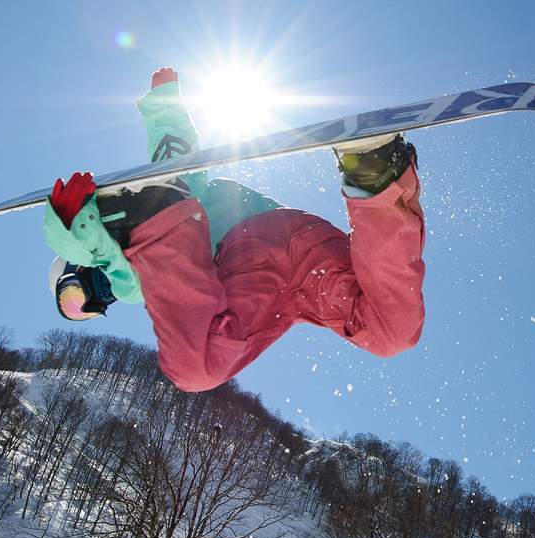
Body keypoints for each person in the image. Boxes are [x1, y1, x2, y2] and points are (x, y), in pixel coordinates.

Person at [42, 67, 426, 393]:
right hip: (300, 272)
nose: (99, 298)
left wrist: (164, 104)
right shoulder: (167, 279)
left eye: (77, 294)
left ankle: (128, 230)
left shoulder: (158, 254)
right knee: (391, 333)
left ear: (79, 263)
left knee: (194, 369)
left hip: (245, 245)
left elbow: (174, 160)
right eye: (89, 310)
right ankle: (375, 173)